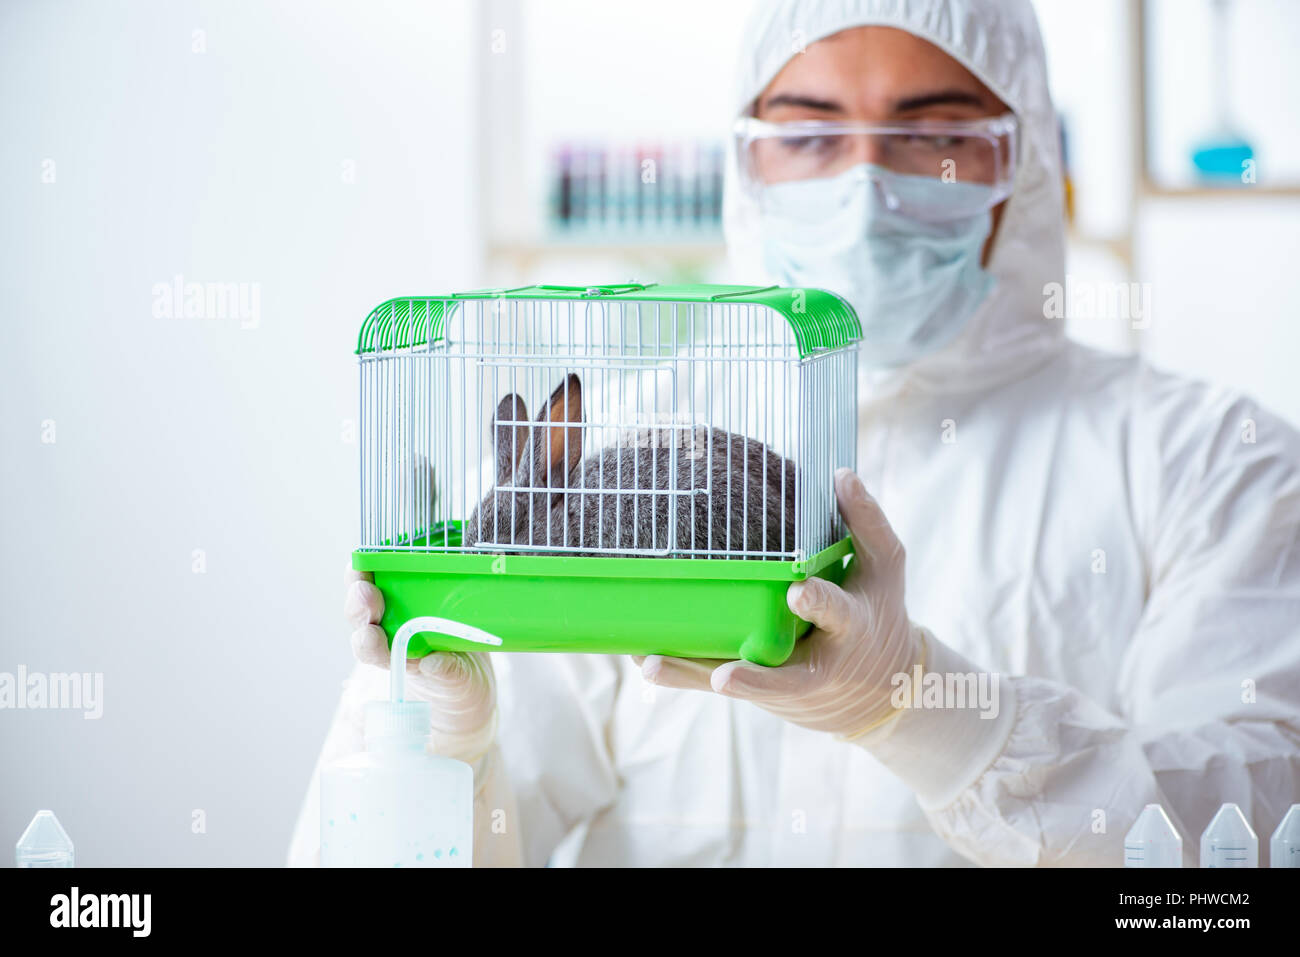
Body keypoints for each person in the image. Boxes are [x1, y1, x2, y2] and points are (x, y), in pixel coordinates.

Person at [290, 0, 1300, 867]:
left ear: (1020, 159)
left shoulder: (1210, 465)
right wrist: (446, 750)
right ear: (747, 164)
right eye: (810, 134)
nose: (864, 185)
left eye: (930, 134)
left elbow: (1239, 855)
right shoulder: (616, 466)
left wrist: (928, 715)